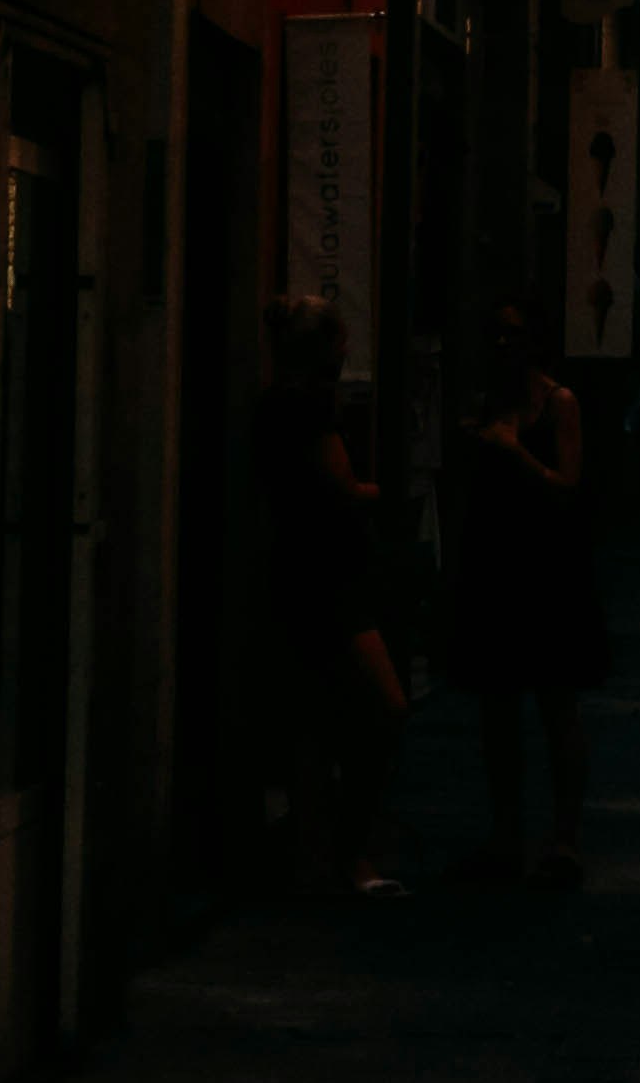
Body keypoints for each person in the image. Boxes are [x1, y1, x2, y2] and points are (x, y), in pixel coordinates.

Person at [444, 300, 607, 884]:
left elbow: (568, 485)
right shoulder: (487, 405)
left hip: (548, 572)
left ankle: (564, 839)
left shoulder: (558, 404)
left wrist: (513, 454)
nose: (504, 347)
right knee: (499, 710)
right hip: (497, 571)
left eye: (514, 335)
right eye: (497, 336)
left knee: (556, 704)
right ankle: (506, 834)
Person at [258, 293, 405, 898]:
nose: (348, 350)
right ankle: (350, 852)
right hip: (329, 582)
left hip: (302, 576)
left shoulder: (277, 403)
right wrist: (384, 493)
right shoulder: (308, 406)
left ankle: (319, 853)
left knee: (316, 719)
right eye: (340, 339)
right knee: (384, 708)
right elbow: (339, 486)